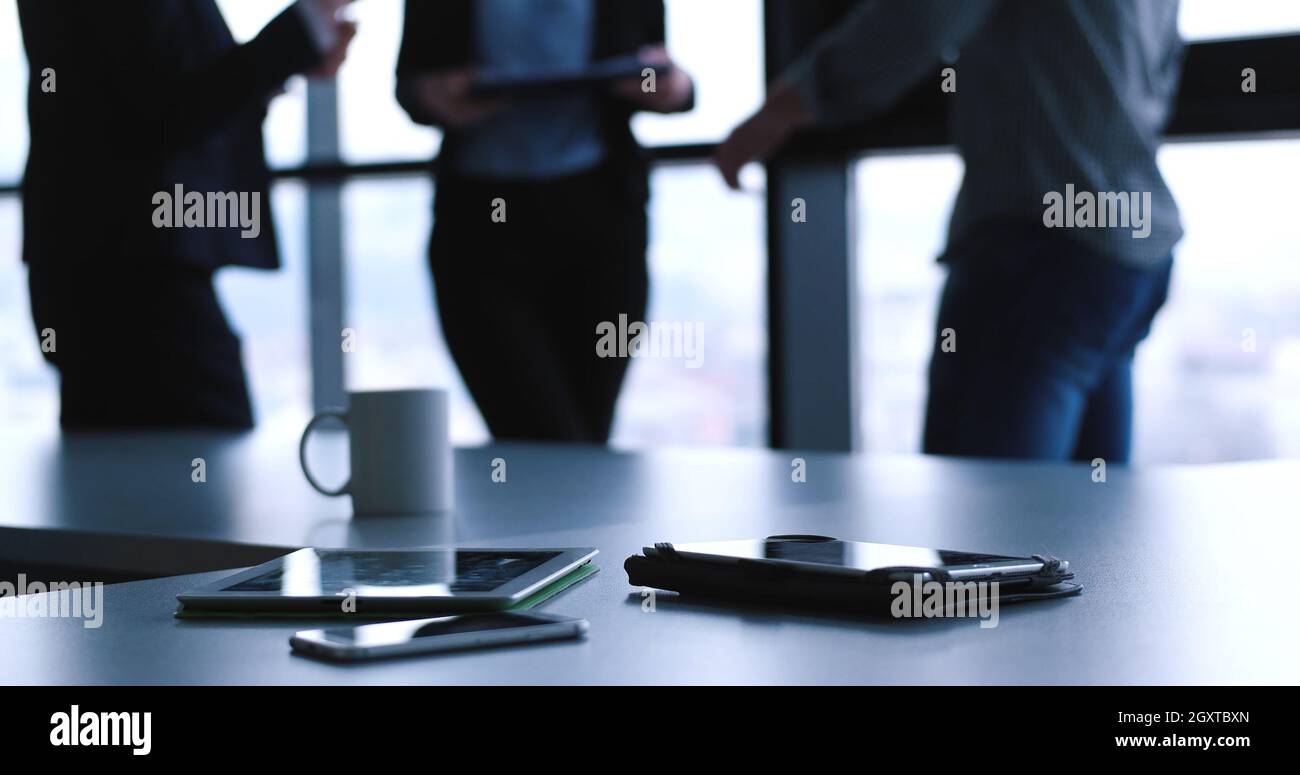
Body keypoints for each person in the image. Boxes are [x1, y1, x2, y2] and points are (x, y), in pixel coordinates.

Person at [715, 0, 1183, 463]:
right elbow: (1161, 63)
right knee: (1087, 518)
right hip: (1130, 249)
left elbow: (915, 19)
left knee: (978, 516)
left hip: (1039, 245)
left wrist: (784, 105)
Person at [18, 0, 356, 429]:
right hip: (129, 273)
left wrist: (284, 57)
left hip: (109, 263)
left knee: (139, 464)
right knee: (201, 451)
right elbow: (164, 110)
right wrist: (298, 34)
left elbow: (140, 94)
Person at [395, 0, 694, 443]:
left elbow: (665, 77)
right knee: (541, 436)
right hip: (481, 234)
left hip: (601, 227)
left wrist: (665, 84)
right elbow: (411, 88)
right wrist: (437, 95)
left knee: (584, 436)